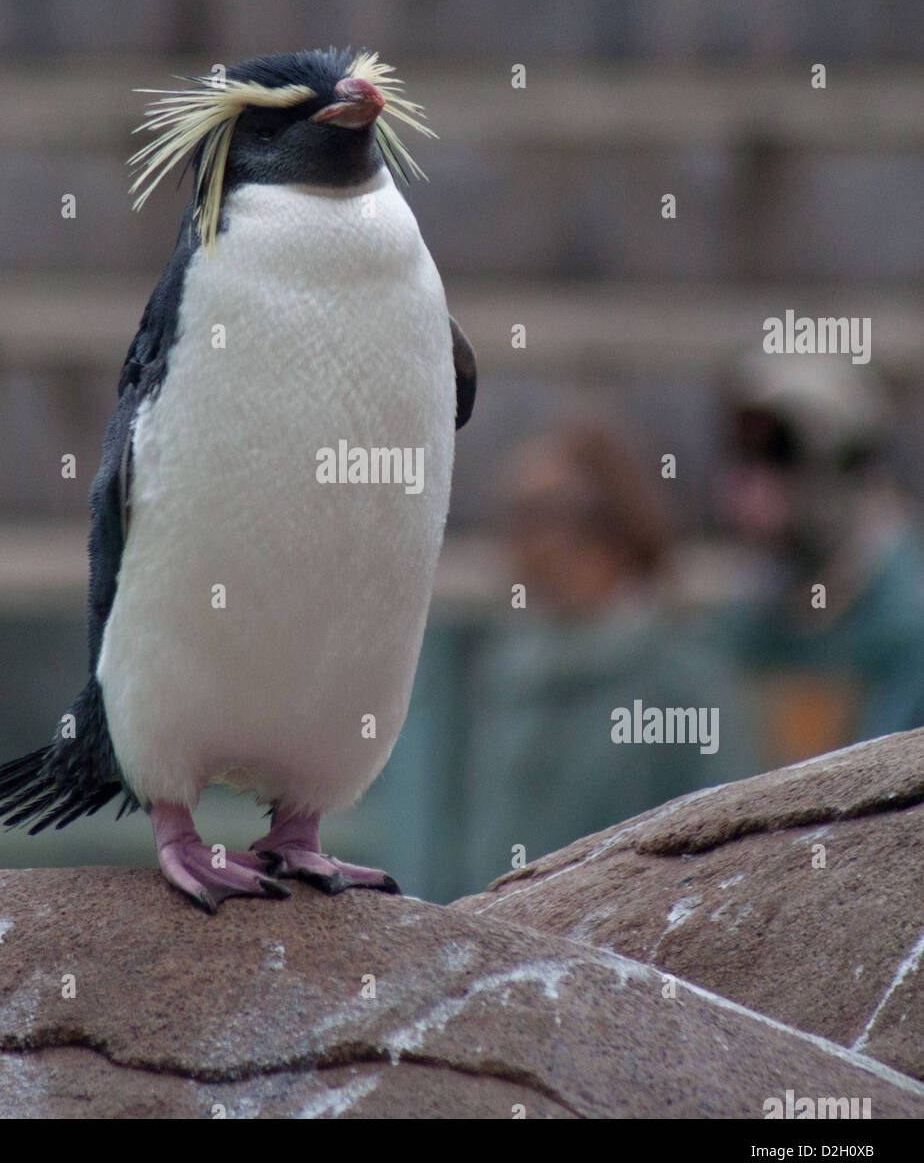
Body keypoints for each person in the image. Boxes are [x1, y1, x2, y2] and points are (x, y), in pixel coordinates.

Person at [372, 422, 759, 902]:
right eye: (516, 515)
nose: (523, 541)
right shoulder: (482, 668)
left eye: (545, 515)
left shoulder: (680, 681)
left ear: (613, 528)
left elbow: (722, 856)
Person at [716, 352, 924, 758]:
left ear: (848, 467)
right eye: (747, 454)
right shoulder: (741, 618)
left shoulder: (905, 624)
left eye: (782, 456)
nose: (758, 485)